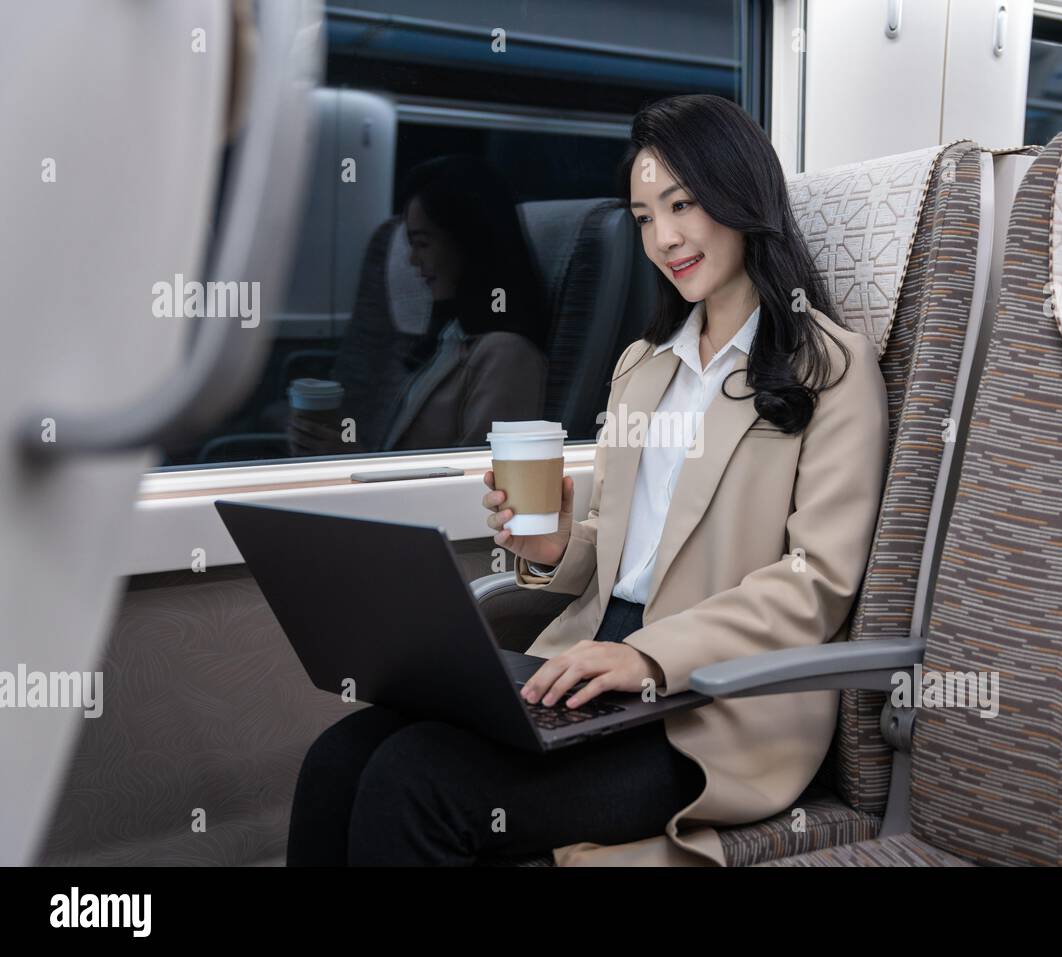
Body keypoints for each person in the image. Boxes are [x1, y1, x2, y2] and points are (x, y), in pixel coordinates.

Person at [286, 94, 890, 866]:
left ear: (742, 195)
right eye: (642, 216)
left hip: (713, 706)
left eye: (683, 204)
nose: (663, 238)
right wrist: (556, 542)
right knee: (336, 760)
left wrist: (651, 655)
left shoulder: (831, 370)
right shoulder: (643, 366)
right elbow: (615, 547)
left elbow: (818, 583)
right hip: (590, 660)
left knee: (418, 783)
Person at [289, 154, 549, 456]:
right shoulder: (452, 337)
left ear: (470, 242)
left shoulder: (508, 356)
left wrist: (353, 458)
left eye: (423, 243)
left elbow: (477, 482)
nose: (413, 261)